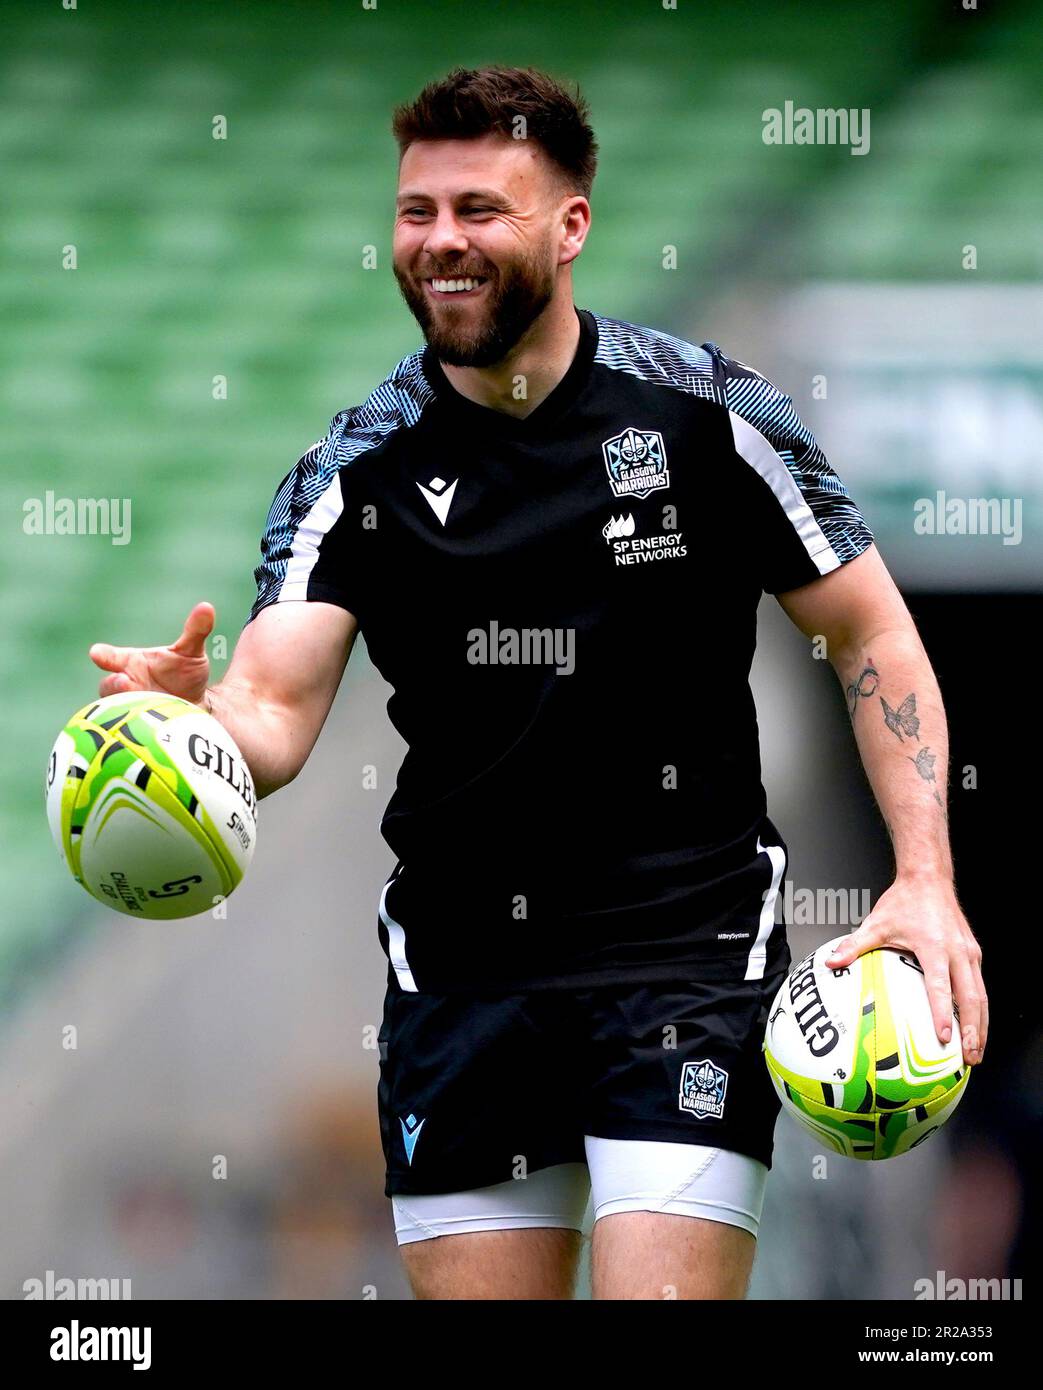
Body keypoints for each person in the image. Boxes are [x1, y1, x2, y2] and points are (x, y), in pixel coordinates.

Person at [89, 65, 987, 1300]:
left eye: (477, 209)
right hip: (461, 981)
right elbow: (273, 708)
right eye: (417, 213)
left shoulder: (709, 420)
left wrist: (924, 882)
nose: (440, 242)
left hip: (684, 958)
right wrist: (191, 735)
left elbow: (872, 636)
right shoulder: (353, 469)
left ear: (569, 227)